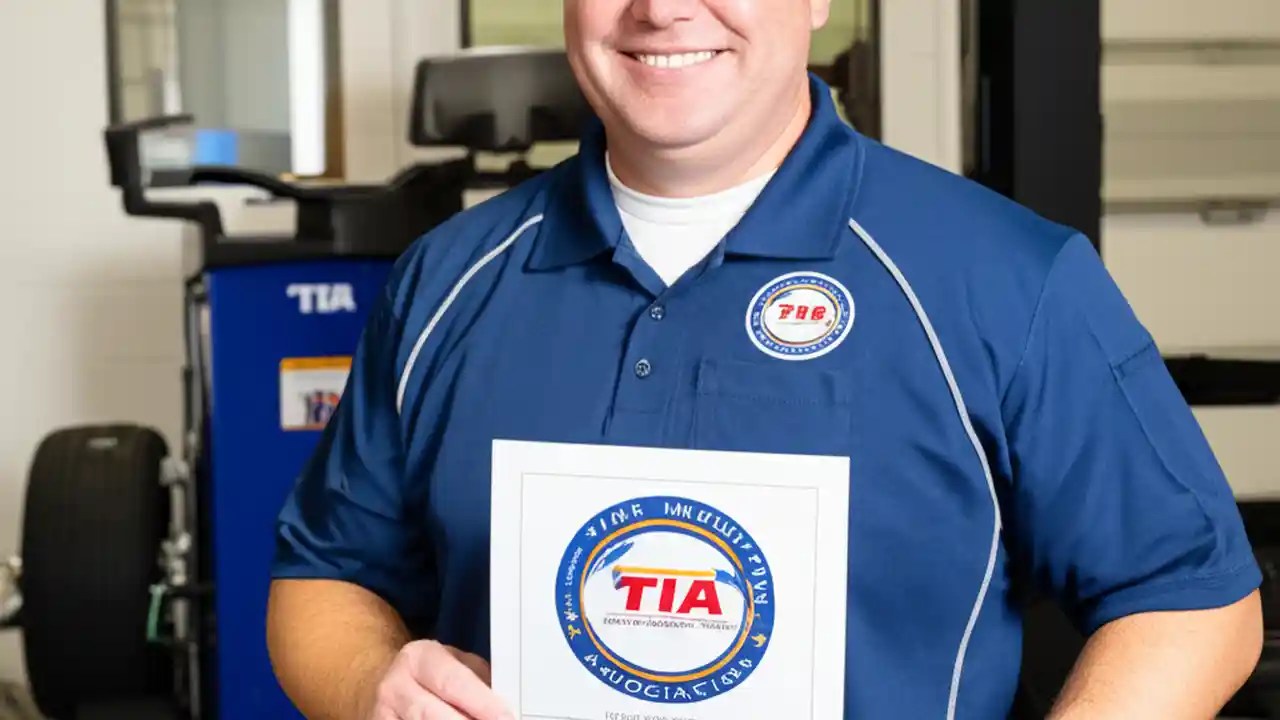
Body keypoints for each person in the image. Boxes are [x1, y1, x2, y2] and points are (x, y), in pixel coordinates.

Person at [266, 1, 1264, 718]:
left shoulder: (1003, 279)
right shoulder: (444, 281)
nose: (658, 10)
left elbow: (1190, 600)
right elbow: (323, 574)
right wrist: (369, 690)